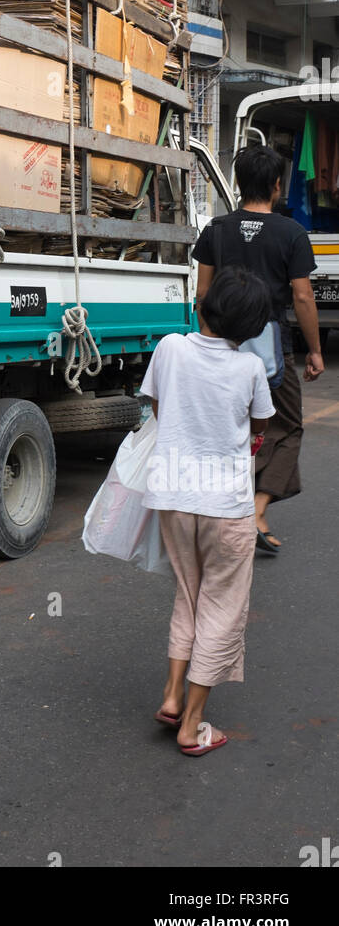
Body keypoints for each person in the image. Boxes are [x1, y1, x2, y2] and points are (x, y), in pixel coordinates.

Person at [141, 268, 275, 756]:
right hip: (226, 506)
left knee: (190, 593)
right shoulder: (251, 369)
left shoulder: (170, 348)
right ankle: (192, 724)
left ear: (205, 305)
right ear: (254, 327)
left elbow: (158, 407)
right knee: (221, 606)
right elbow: (259, 423)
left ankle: (173, 695)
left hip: (174, 499)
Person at [192, 144, 323, 554]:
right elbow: (302, 297)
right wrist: (315, 351)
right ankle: (257, 507)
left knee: (231, 426)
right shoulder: (292, 234)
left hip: (222, 339)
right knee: (284, 428)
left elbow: (202, 294)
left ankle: (227, 509)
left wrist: (208, 344)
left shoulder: (215, 230)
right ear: (276, 185)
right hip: (271, 346)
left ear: (238, 183)